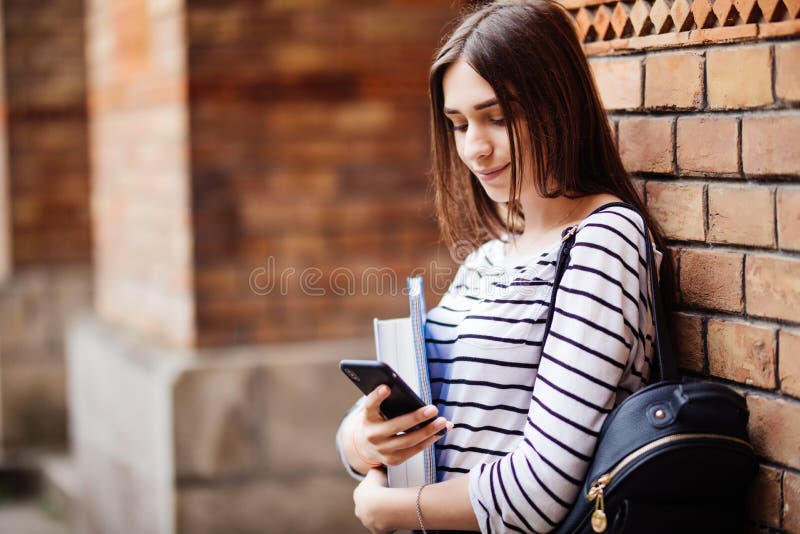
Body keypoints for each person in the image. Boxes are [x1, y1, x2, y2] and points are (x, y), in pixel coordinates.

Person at [336, 1, 672, 532]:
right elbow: (421, 407)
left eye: (498, 118)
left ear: (559, 105)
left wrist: (398, 509)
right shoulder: (488, 258)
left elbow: (542, 488)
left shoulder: (604, 241)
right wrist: (360, 441)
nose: (475, 147)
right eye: (458, 123)